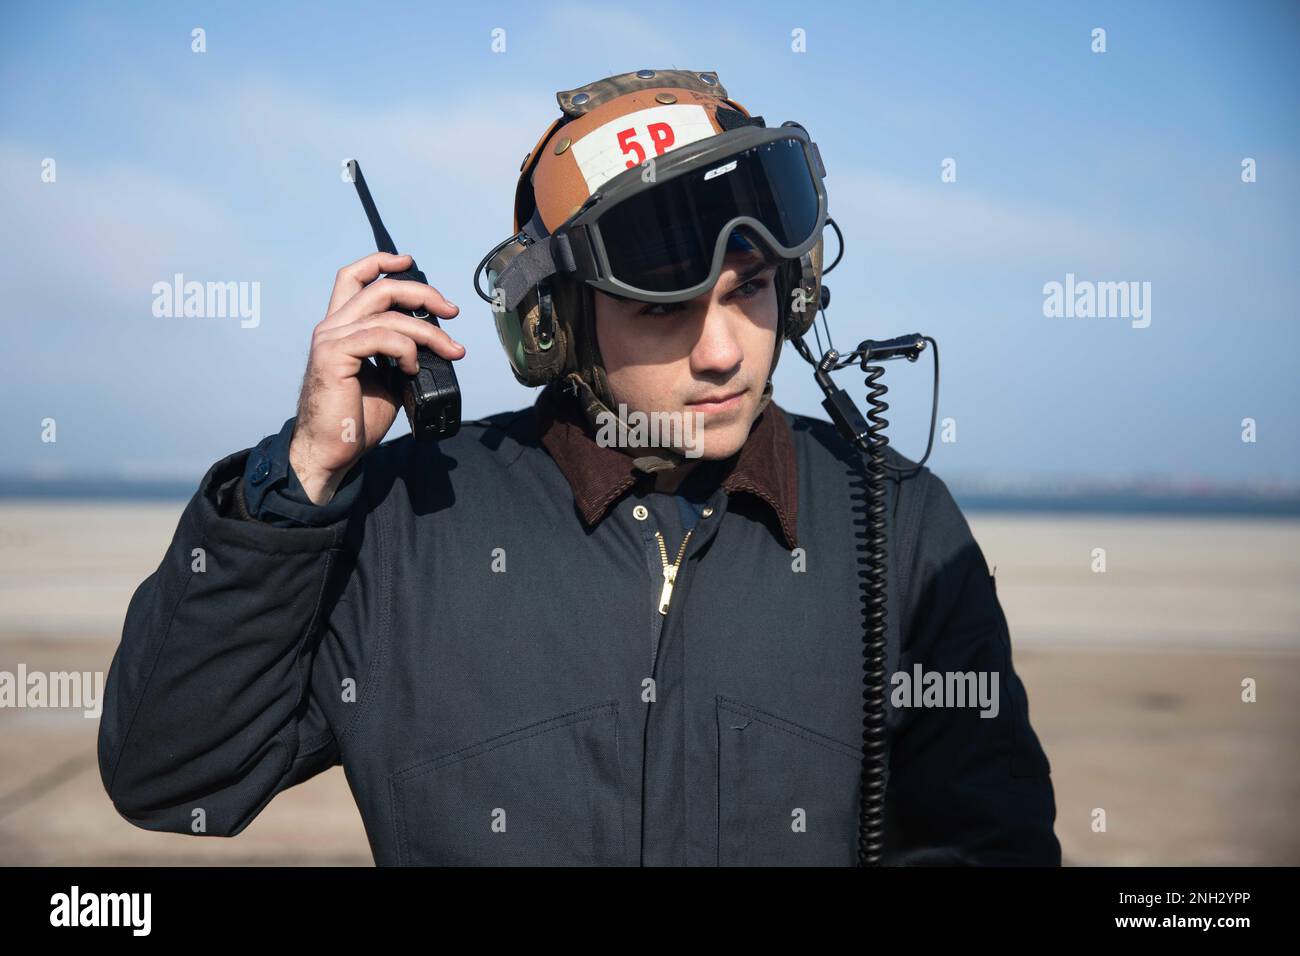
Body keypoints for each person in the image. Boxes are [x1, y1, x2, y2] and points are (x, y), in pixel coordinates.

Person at [98, 69, 1060, 866]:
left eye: (752, 291)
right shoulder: (407, 523)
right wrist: (304, 476)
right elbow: (173, 775)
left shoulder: (893, 522)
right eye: (661, 309)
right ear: (555, 322)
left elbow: (991, 842)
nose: (724, 351)